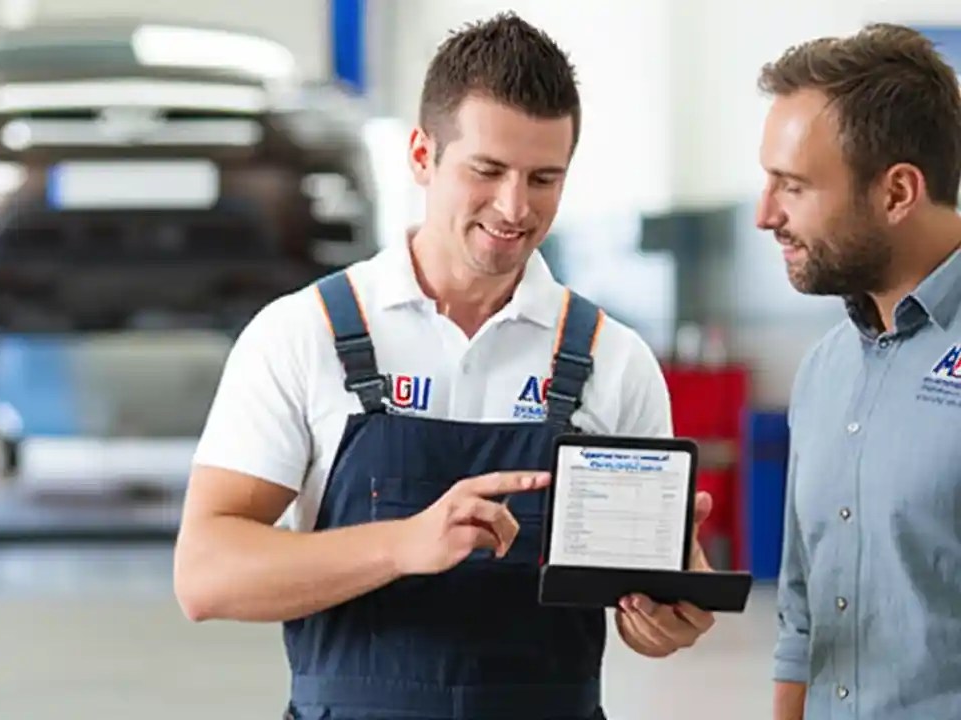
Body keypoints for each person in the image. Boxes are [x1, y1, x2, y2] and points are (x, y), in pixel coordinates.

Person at [175, 13, 716, 720]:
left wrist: (669, 613)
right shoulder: (301, 335)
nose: (515, 207)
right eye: (487, 171)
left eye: (544, 178)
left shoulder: (615, 360)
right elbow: (206, 575)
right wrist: (402, 544)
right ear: (422, 156)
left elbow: (645, 607)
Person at [755, 23, 961, 720]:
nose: (765, 215)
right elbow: (801, 616)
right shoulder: (825, 370)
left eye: (793, 187)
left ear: (898, 191)